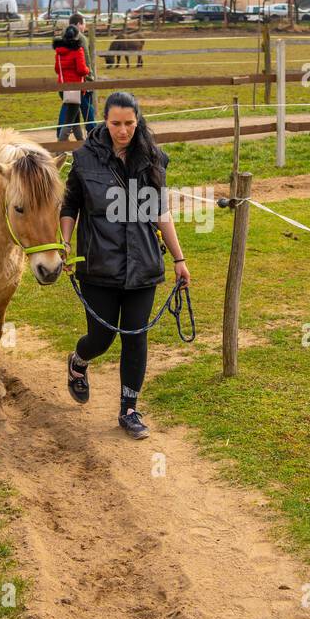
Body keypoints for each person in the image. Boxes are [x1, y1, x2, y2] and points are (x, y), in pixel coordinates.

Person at [59, 91, 191, 440]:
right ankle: (79, 361)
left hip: (143, 264)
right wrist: (65, 244)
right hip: (98, 264)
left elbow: (160, 211)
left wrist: (179, 259)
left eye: (129, 123)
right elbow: (70, 205)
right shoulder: (84, 158)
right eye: (116, 123)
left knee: (136, 336)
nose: (123, 130)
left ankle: (129, 410)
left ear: (138, 120)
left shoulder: (152, 157)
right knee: (101, 338)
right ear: (105, 120)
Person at [53, 23, 92, 140]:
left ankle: (81, 144)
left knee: (75, 118)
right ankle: (60, 148)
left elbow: (56, 69)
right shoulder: (78, 50)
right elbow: (81, 70)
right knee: (69, 121)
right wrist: (88, 70)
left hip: (62, 87)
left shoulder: (59, 52)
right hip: (75, 88)